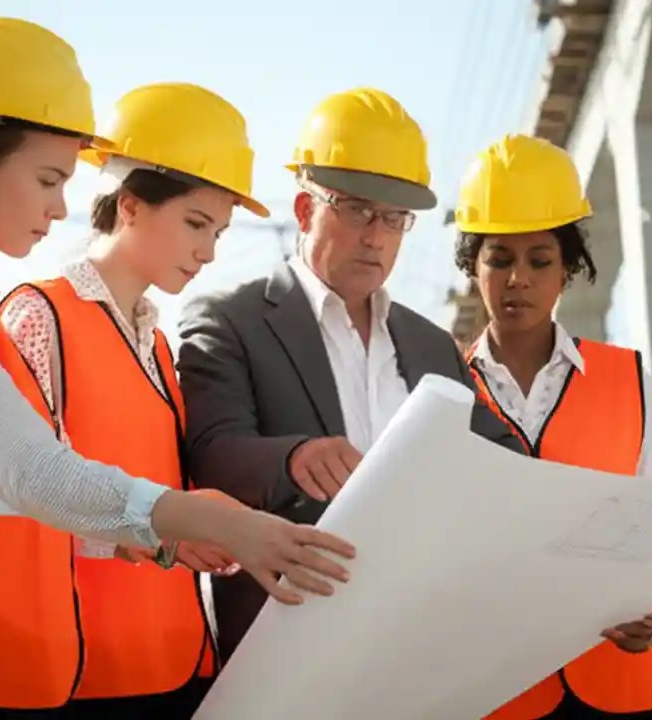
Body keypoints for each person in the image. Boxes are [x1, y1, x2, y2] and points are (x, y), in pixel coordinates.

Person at [0, 18, 354, 720]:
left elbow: (30, 501)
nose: (61, 207)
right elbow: (35, 474)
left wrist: (169, 538)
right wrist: (219, 525)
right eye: (48, 179)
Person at [175, 87, 524, 662]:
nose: (376, 235)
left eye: (393, 218)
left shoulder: (431, 344)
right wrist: (292, 459)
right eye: (358, 208)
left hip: (420, 640)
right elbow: (210, 451)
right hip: (289, 645)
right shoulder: (229, 321)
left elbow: (502, 456)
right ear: (305, 209)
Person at [0, 82, 270, 719]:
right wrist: (158, 536)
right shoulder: (38, 317)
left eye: (219, 232)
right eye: (196, 224)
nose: (208, 251)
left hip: (172, 666)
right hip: (80, 672)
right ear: (130, 206)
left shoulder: (158, 347)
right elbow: (18, 501)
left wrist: (189, 536)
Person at [452, 133, 652, 720]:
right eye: (499, 259)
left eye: (540, 261)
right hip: (495, 689)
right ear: (473, 268)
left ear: (567, 272)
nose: (518, 280)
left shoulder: (629, 379)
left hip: (627, 679)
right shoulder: (440, 390)